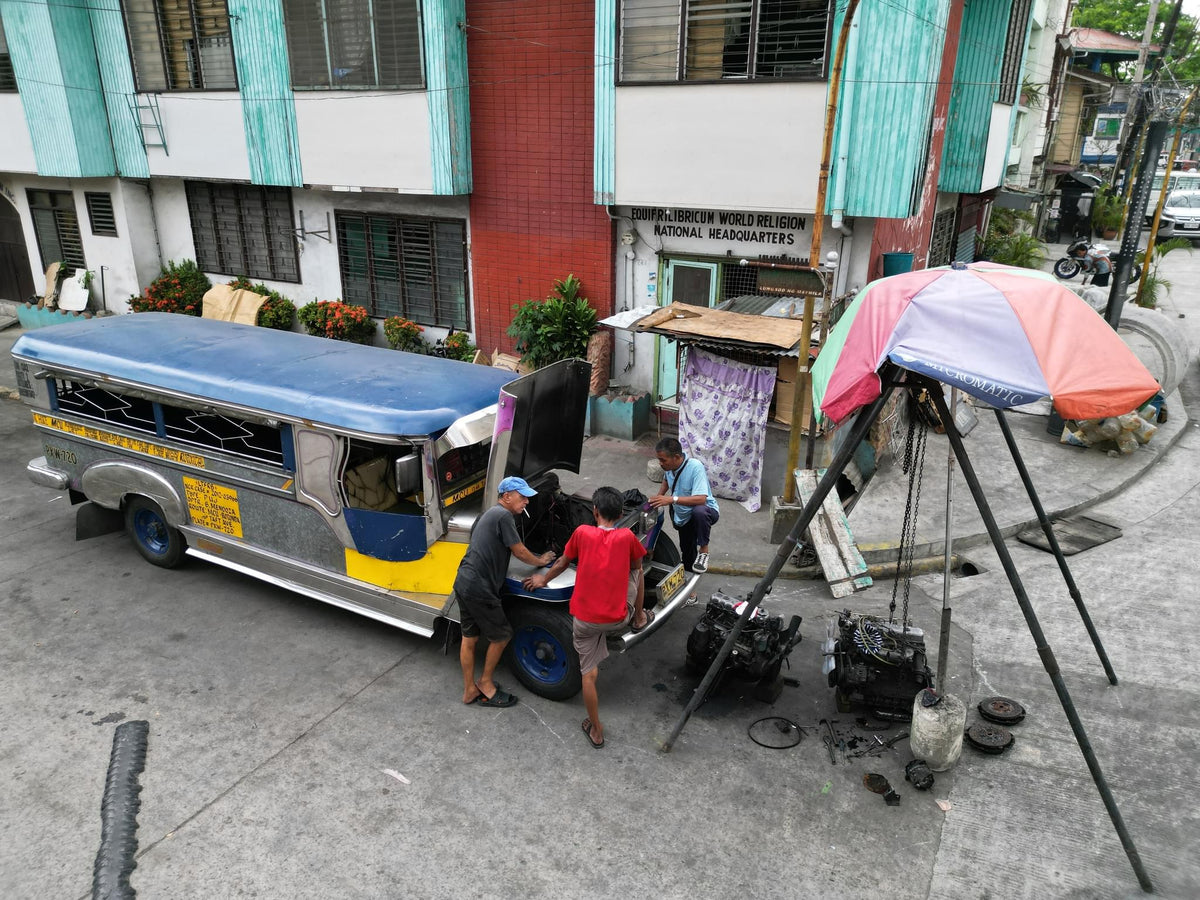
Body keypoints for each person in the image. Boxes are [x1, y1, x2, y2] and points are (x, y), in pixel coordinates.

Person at [522, 486, 649, 748]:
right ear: (620, 512)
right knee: (637, 572)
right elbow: (636, 568)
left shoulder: (581, 533)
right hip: (618, 619)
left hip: (585, 620)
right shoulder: (626, 537)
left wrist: (541, 579)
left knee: (588, 676)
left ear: (595, 511)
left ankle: (596, 729)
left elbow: (561, 563)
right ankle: (639, 619)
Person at [454, 476, 555, 709]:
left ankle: (469, 690)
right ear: (506, 496)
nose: (527, 502)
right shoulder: (503, 516)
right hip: (480, 587)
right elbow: (519, 551)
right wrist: (541, 559)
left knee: (469, 638)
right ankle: (486, 684)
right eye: (522, 497)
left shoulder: (487, 514)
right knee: (502, 636)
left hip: (464, 581)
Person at [647, 437, 719, 574]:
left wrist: (671, 499)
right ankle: (691, 592)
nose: (660, 463)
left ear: (676, 457)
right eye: (659, 460)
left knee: (700, 511)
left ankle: (704, 550)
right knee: (687, 553)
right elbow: (666, 480)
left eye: (663, 460)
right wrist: (658, 498)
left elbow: (701, 499)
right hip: (683, 516)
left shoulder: (695, 467)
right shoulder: (669, 467)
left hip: (706, 513)